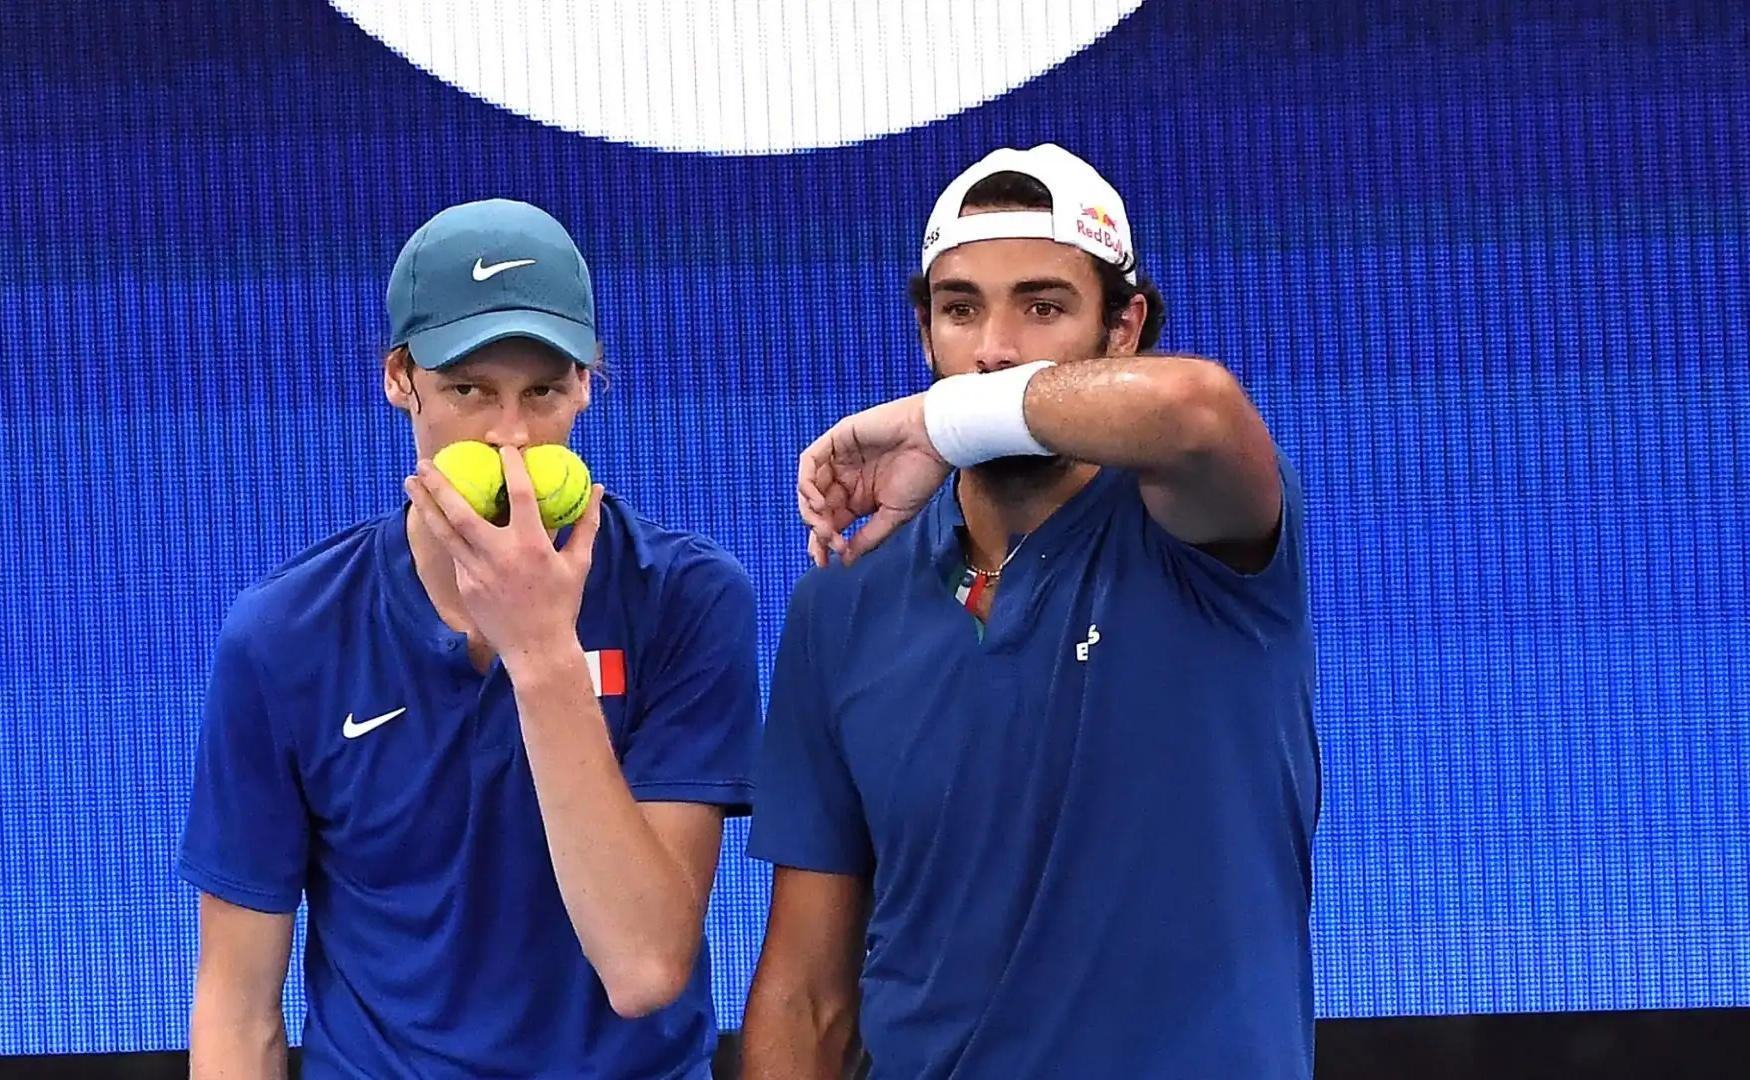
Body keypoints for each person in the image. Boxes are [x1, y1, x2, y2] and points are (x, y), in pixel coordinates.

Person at [741, 144, 1320, 1079]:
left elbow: (1198, 408)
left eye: (1043, 306)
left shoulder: (1202, 533)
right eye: (959, 308)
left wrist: (944, 420)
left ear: (1125, 327)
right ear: (925, 331)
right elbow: (809, 996)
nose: (994, 347)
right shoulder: (840, 602)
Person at [179, 198, 760, 1079]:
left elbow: (643, 967)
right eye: (468, 391)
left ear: (587, 386)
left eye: (543, 391)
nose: (511, 438)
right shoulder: (283, 635)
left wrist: (540, 656)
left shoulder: (687, 598)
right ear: (399, 380)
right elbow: (236, 1003)